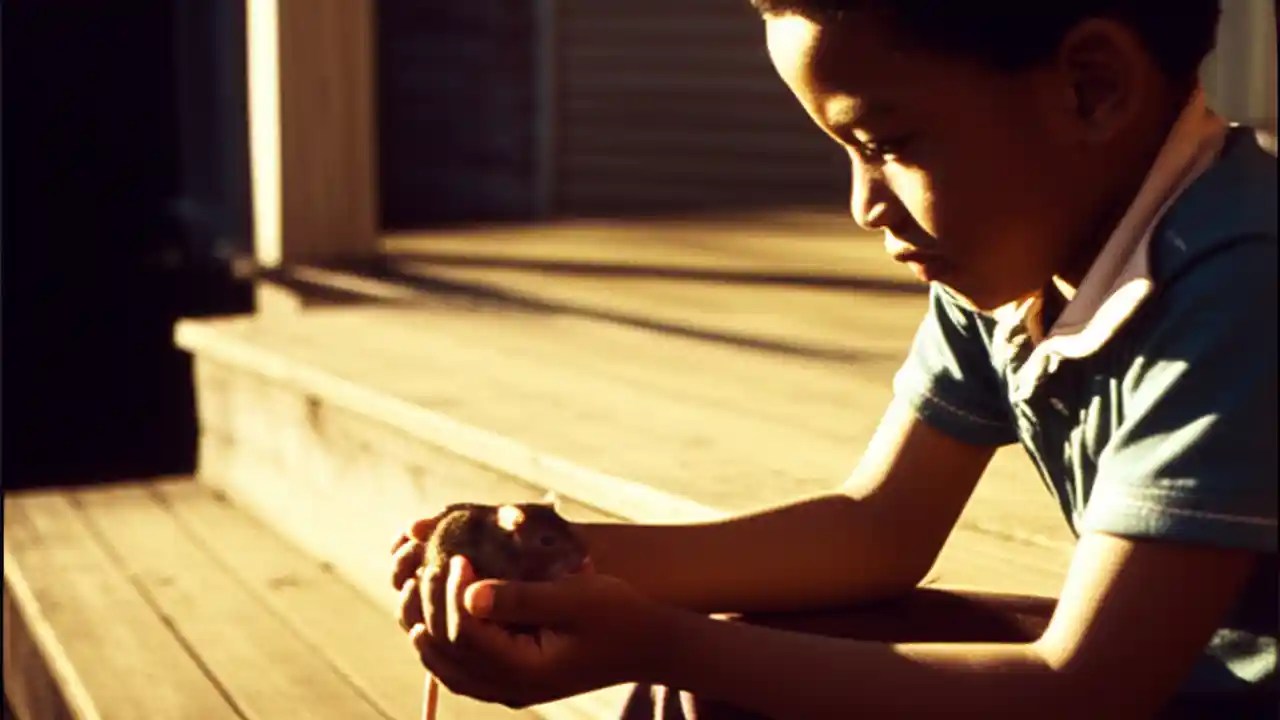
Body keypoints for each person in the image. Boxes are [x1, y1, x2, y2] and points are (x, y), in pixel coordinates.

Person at [388, 1, 1277, 716]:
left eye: (887, 145)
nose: (862, 205)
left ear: (1092, 87)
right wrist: (545, 568)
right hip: (1175, 672)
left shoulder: (1241, 279)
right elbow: (877, 527)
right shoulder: (1023, 263)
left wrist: (662, 642)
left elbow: (1088, 690)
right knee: (728, 674)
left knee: (717, 676)